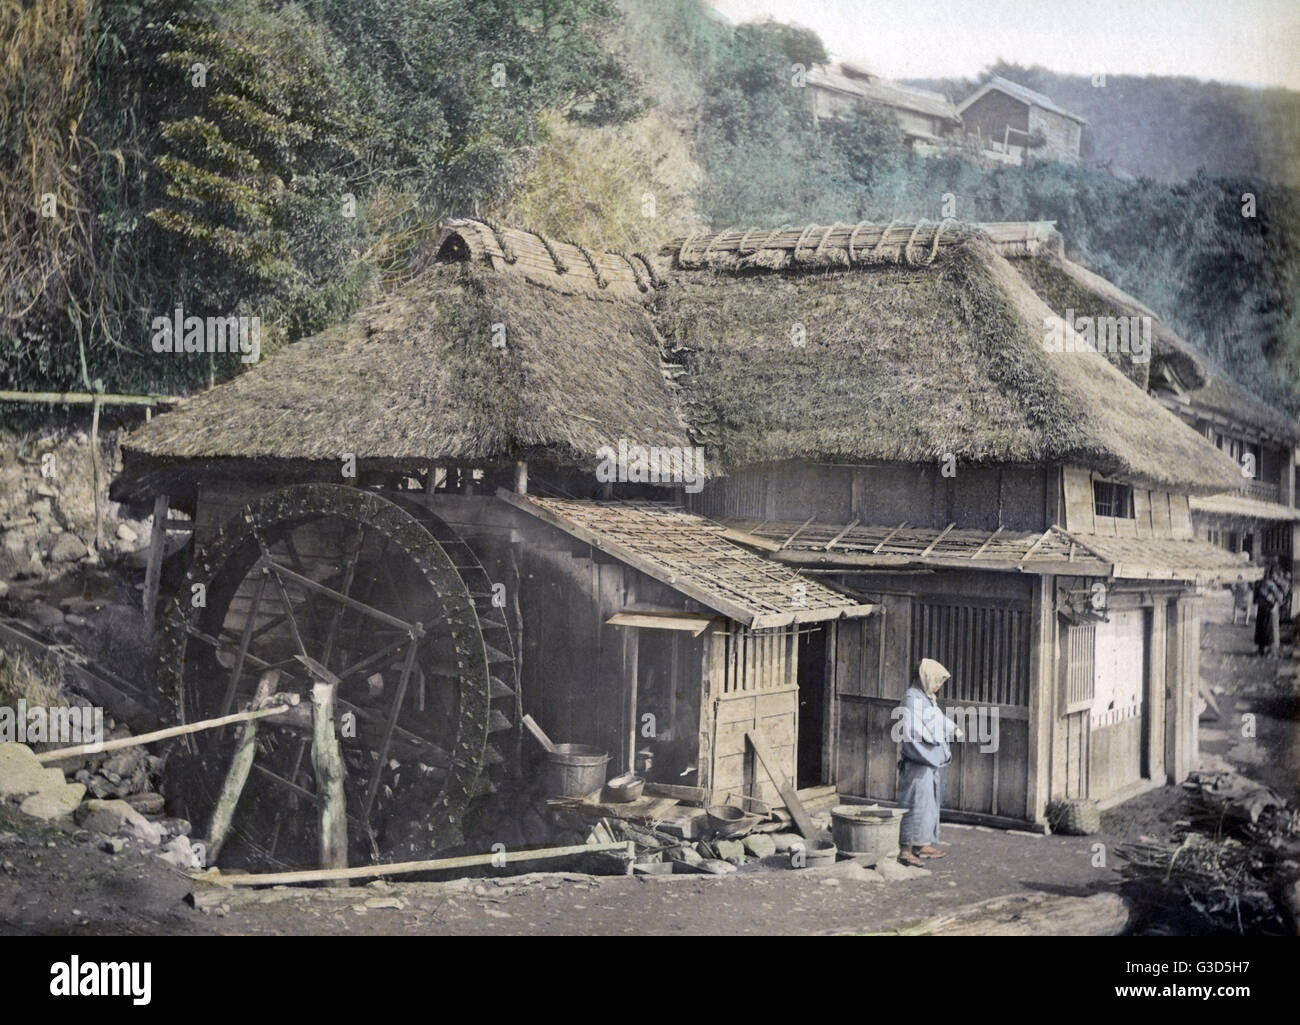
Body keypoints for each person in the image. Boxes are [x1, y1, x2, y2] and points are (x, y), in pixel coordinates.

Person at [894, 658, 962, 867]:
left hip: (929, 761)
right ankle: (905, 849)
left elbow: (938, 719)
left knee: (928, 805)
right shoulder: (911, 698)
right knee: (913, 804)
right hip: (918, 760)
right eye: (936, 681)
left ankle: (922, 844)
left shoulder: (926, 697)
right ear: (925, 678)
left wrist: (952, 729)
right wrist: (933, 747)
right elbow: (912, 730)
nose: (939, 686)